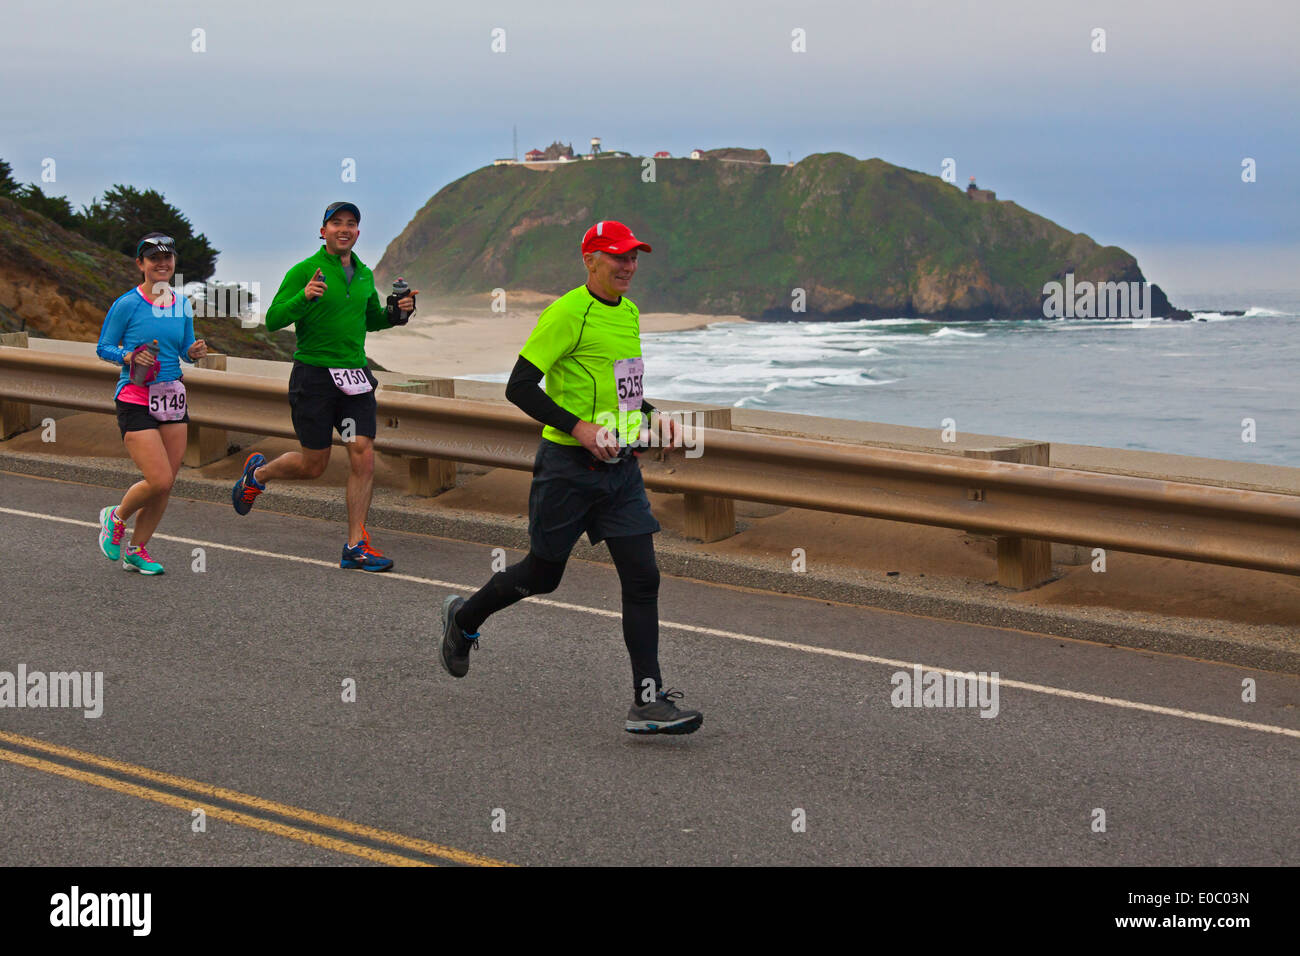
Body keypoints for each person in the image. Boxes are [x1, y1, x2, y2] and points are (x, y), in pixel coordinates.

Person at [438, 220, 704, 735]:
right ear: (590, 261)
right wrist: (579, 428)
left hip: (620, 470)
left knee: (643, 578)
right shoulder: (566, 313)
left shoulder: (627, 312)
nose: (628, 267)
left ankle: (647, 703)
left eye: (633, 258)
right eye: (617, 257)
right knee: (543, 576)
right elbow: (519, 387)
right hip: (567, 470)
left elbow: (621, 393)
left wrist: (654, 417)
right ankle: (465, 619)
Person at [229, 201, 415, 571]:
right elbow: (273, 320)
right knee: (314, 465)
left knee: (362, 452)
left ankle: (355, 546)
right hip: (313, 377)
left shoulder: (363, 275)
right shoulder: (303, 271)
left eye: (351, 224)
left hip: (355, 378)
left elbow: (369, 319)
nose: (343, 229)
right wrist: (304, 296)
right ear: (323, 230)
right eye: (336, 223)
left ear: (358, 233)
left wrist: (397, 315)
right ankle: (258, 475)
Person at [95, 233, 208, 574]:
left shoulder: (182, 303)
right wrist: (127, 355)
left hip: (172, 397)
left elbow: (186, 348)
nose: (162, 263)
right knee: (157, 479)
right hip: (135, 397)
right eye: (153, 258)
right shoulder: (127, 304)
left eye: (167, 257)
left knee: (167, 483)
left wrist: (195, 352)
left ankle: (137, 549)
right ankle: (115, 517)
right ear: (140, 264)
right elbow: (103, 347)